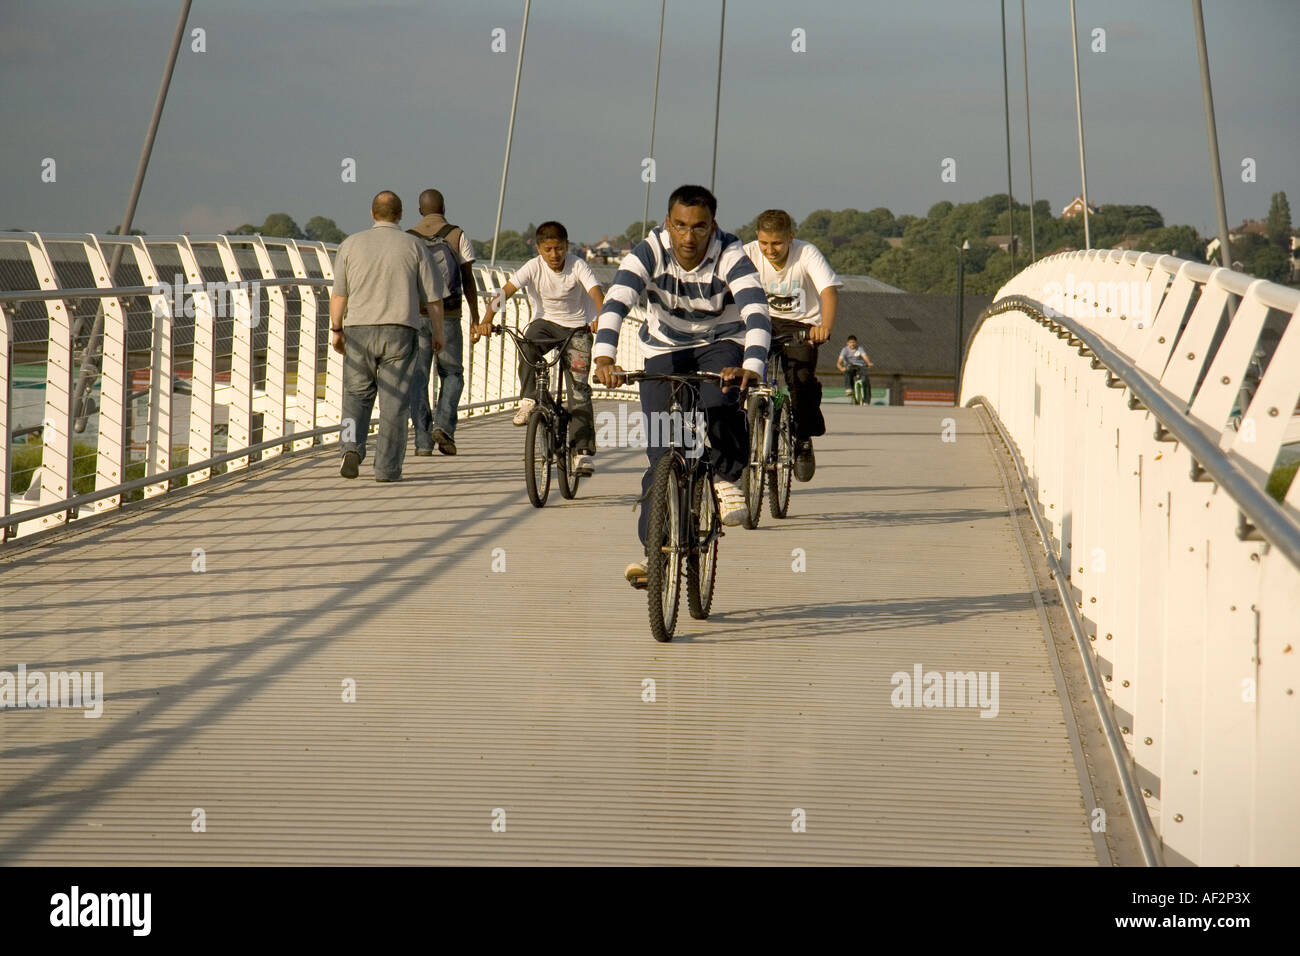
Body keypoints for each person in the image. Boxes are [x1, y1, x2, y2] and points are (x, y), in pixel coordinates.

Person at [592, 184, 770, 589]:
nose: (689, 238)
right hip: (665, 347)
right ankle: (653, 552)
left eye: (699, 227)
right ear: (667, 223)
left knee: (719, 401)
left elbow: (757, 311)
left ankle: (727, 477)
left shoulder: (729, 253)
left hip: (719, 341)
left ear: (713, 225)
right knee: (659, 456)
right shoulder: (650, 250)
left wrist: (752, 366)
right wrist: (604, 357)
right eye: (680, 226)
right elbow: (617, 300)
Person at [330, 190, 446, 482]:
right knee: (394, 403)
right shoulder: (415, 245)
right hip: (401, 330)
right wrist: (439, 334)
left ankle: (350, 449)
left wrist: (336, 330)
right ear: (400, 215)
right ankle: (387, 469)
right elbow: (434, 299)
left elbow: (339, 295)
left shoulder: (350, 244)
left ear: (372, 214)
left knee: (355, 396)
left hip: (358, 329)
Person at [471, 222, 603, 477]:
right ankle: (530, 397)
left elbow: (596, 293)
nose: (554, 255)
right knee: (526, 344)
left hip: (576, 329)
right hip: (545, 325)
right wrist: (486, 320)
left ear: (567, 246)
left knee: (579, 389)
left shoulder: (578, 265)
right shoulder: (533, 266)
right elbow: (505, 292)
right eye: (548, 249)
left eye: (559, 248)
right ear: (539, 248)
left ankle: (582, 452)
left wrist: (601, 317)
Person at [743, 209, 842, 481]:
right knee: (738, 376)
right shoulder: (748, 254)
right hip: (760, 321)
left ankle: (803, 439)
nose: (770, 250)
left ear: (790, 238)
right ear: (757, 238)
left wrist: (825, 328)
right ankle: (742, 431)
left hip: (801, 326)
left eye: (777, 243)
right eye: (764, 243)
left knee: (801, 382)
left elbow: (828, 291)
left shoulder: (807, 253)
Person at [408, 188, 479, 456]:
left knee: (418, 378)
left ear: (419, 210)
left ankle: (423, 442)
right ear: (444, 208)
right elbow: (468, 278)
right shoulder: (457, 234)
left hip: (415, 317)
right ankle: (444, 427)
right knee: (452, 373)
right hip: (448, 315)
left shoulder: (408, 239)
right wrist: (474, 315)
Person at [837, 335, 874, 401]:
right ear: (847, 343)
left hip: (860, 366)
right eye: (850, 342)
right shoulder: (845, 350)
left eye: (854, 342)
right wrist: (841, 368)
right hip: (850, 366)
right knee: (847, 372)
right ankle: (849, 389)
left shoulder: (860, 348)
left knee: (865, 379)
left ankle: (866, 399)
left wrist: (868, 363)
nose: (852, 344)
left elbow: (864, 356)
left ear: (856, 343)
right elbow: (839, 362)